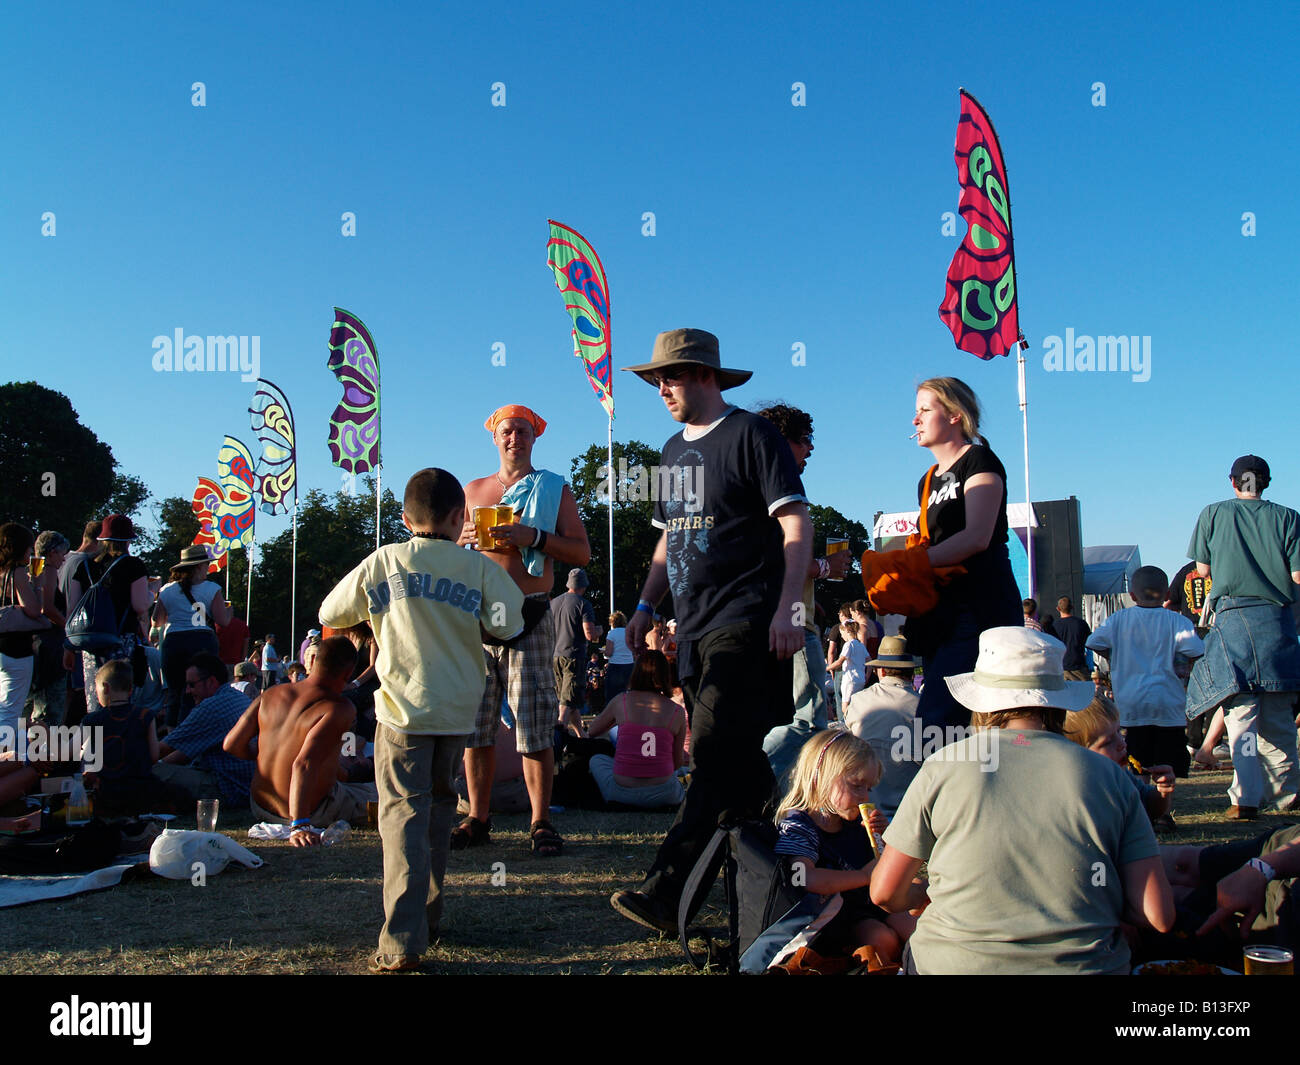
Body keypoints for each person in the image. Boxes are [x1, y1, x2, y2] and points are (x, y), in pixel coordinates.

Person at [609, 327, 811, 933]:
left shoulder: (754, 434)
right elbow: (669, 538)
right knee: (738, 767)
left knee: (717, 750)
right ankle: (795, 857)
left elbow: (795, 525)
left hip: (747, 619)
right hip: (692, 627)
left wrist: (787, 611)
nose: (659, 388)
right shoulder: (670, 450)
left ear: (703, 374)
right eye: (653, 380)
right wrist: (646, 605)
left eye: (666, 377)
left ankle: (667, 892)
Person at [871, 627, 1175, 974]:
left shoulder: (943, 767)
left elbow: (884, 893)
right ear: (1059, 704)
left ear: (982, 702)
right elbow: (1158, 915)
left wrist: (920, 894)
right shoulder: (1110, 777)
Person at [319, 467, 524, 972]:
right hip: (457, 712)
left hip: (402, 712)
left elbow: (331, 611)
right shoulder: (476, 567)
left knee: (402, 818)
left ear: (406, 518)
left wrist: (376, 615)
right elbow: (511, 621)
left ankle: (401, 941)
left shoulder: (384, 560)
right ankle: (428, 917)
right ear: (462, 518)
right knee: (436, 810)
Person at [453, 405, 591, 857]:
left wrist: (533, 537)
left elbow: (582, 553)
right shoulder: (473, 491)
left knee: (532, 726)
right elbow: (445, 553)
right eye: (508, 431)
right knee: (478, 727)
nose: (516, 438)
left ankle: (540, 821)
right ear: (494, 437)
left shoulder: (554, 489)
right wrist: (462, 542)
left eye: (524, 432)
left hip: (530, 613)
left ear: (536, 438)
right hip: (477, 619)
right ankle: (477, 817)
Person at [904, 378, 1023, 732]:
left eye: (925, 410)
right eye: (916, 412)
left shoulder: (979, 460)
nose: (916, 420)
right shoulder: (926, 480)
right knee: (944, 724)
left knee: (939, 724)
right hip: (942, 613)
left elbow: (977, 537)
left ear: (955, 415)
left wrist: (912, 564)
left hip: (982, 607)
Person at [1185, 454, 1300, 818]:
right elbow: (1298, 577)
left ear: (1233, 481)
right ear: (1265, 482)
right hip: (1278, 620)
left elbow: (1202, 570)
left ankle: (1246, 799)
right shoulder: (1288, 517)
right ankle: (1288, 796)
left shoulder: (1213, 513)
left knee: (1242, 715)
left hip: (1234, 617)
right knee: (1280, 719)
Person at [756, 403, 851, 783]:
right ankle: (756, 779)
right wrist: (827, 567)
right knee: (810, 720)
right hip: (794, 623)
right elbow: (777, 560)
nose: (810, 449)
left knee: (782, 716)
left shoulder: (755, 483)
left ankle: (754, 783)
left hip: (781, 619)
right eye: (805, 440)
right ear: (783, 442)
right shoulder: (778, 489)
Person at [774, 730, 913, 964]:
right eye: (857, 786)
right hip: (832, 918)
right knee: (882, 939)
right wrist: (865, 875)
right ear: (820, 778)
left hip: (871, 902)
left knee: (919, 926)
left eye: (869, 788)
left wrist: (884, 838)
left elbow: (883, 863)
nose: (864, 796)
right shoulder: (800, 826)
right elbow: (803, 878)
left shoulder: (852, 822)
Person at [224, 635, 377, 835]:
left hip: (261, 806)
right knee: (390, 797)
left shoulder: (271, 694)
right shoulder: (338, 707)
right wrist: (300, 824)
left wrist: (272, 752)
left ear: (312, 661)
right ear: (348, 674)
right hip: (310, 811)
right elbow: (304, 764)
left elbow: (231, 744)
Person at [1086, 566, 1203, 803]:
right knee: (1165, 762)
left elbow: (1094, 641)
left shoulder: (1119, 619)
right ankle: (1163, 809)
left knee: (1136, 760)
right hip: (1168, 702)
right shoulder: (1177, 621)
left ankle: (1142, 806)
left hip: (1130, 703)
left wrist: (1113, 655)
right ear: (1168, 592)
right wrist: (1181, 664)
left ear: (1132, 595)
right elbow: (1195, 649)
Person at [585, 650, 686, 808]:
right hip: (664, 793)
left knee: (597, 760)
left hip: (622, 792)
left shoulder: (621, 701)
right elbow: (677, 762)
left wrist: (617, 720)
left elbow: (592, 731)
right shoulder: (677, 711)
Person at [69, 515, 150, 713]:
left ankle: (94, 739)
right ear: (128, 540)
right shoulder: (134, 565)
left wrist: (69, 647)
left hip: (90, 641)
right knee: (119, 698)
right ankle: (117, 739)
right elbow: (140, 606)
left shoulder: (84, 566)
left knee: (95, 698)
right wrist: (150, 594)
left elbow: (73, 607)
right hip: (120, 639)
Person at [151, 653, 253, 807]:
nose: (187, 691)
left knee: (151, 774)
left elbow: (161, 749)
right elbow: (184, 752)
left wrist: (121, 763)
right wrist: (162, 763)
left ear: (211, 681)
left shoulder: (211, 707)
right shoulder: (238, 697)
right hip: (248, 787)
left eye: (192, 684)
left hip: (228, 788)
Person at [1063, 694, 1175, 829]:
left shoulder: (1121, 776)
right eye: (1108, 742)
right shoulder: (1079, 793)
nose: (1122, 743)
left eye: (1119, 731)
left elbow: (1148, 807)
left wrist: (1161, 792)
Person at [842, 635, 921, 819]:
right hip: (908, 814)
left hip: (865, 811)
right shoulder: (924, 708)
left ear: (881, 671)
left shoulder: (859, 700)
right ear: (911, 673)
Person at [154, 545, 233, 727]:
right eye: (206, 565)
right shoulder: (212, 589)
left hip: (174, 642)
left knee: (175, 692)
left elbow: (156, 621)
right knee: (201, 692)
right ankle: (198, 729)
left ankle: (171, 738)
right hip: (201, 641)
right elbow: (223, 621)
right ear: (199, 567)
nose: (208, 568)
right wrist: (230, 612)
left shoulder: (167, 590)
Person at [82, 659, 169, 816]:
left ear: (105, 688)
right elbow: (154, 755)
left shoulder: (92, 720)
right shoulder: (145, 715)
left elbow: (88, 763)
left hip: (108, 794)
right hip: (141, 792)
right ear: (130, 690)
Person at [0, 523, 44, 737]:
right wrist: (37, 584)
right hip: (15, 648)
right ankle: (5, 760)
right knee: (10, 709)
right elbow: (34, 610)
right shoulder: (16, 572)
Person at [551, 567, 601, 738]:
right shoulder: (583, 604)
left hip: (555, 656)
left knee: (570, 699)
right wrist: (598, 631)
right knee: (567, 701)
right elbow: (589, 634)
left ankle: (581, 735)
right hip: (573, 656)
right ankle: (559, 740)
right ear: (584, 585)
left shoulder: (554, 603)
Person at [28, 530, 70, 726]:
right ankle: (45, 753)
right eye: (62, 554)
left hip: (33, 643)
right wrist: (69, 627)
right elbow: (48, 607)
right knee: (50, 709)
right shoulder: (49, 570)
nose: (63, 559)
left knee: (32, 705)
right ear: (53, 552)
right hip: (51, 645)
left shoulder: (33, 567)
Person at [829, 620, 867, 709]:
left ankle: (847, 722)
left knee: (845, 706)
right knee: (856, 706)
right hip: (860, 679)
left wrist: (826, 668)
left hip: (850, 679)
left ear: (847, 631)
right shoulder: (861, 645)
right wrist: (866, 675)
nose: (842, 636)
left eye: (842, 633)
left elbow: (839, 661)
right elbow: (868, 661)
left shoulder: (848, 645)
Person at [1054, 596, 1091, 680]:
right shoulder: (1081, 624)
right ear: (1072, 608)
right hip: (1079, 666)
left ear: (1058, 609)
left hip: (1060, 667)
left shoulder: (1054, 626)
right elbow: (1089, 642)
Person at [603, 611, 635, 703]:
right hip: (629, 665)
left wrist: (604, 652)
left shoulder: (611, 633)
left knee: (612, 694)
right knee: (627, 693)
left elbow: (609, 652)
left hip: (615, 665)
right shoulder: (629, 633)